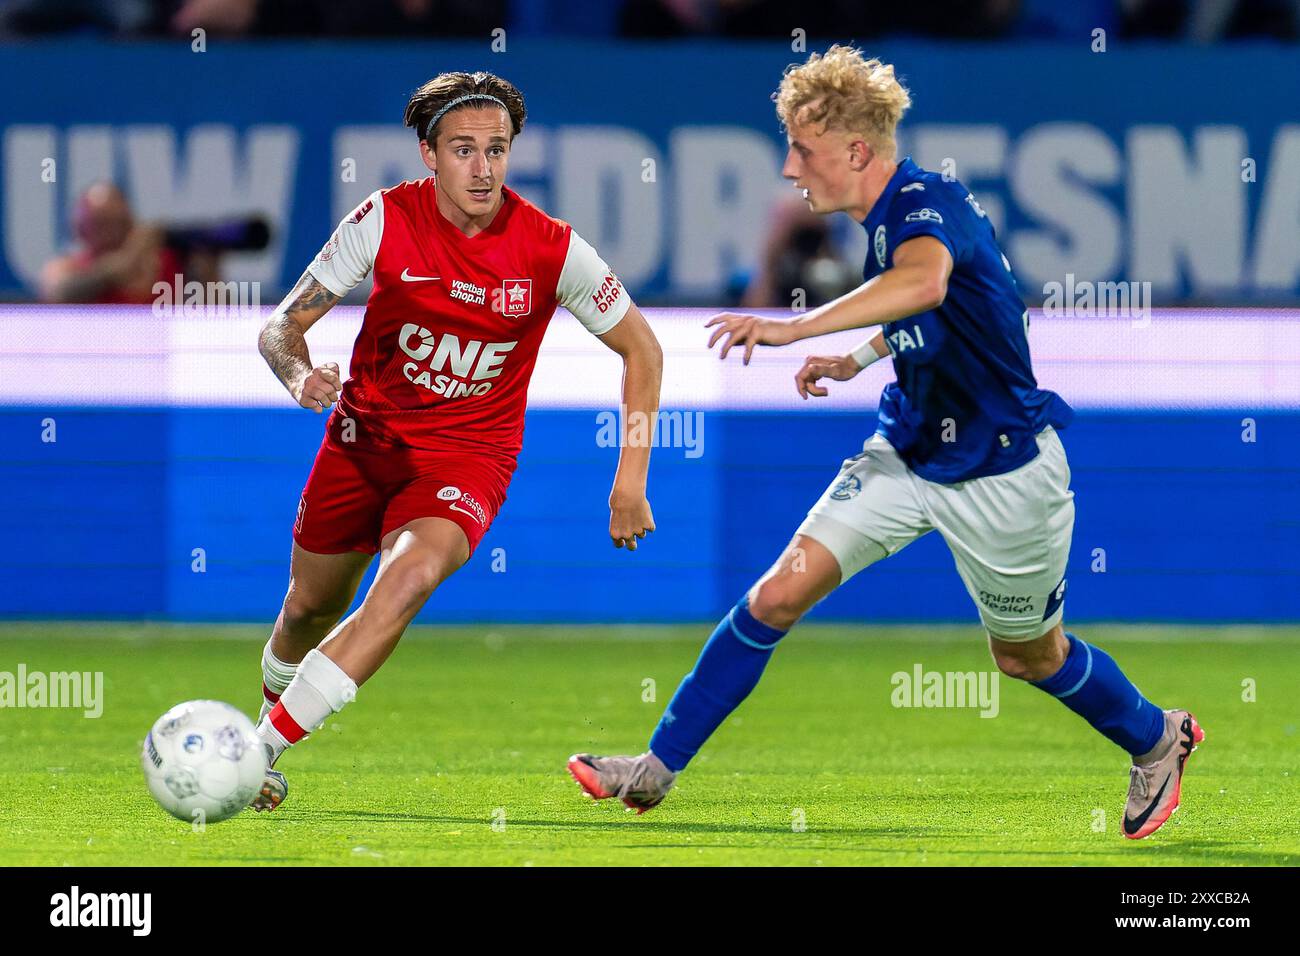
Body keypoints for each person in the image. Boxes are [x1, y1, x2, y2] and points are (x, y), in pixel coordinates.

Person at [568, 46, 1202, 841]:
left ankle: (1156, 737)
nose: (790, 167)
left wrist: (795, 328)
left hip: (1003, 472)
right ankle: (654, 769)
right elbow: (957, 309)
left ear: (856, 151)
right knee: (776, 595)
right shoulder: (900, 220)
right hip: (904, 452)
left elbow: (927, 284)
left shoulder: (923, 205)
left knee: (1028, 658)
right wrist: (858, 356)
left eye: (802, 148)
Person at [252, 70, 662, 811]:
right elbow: (280, 327)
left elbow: (643, 350)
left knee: (405, 582)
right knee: (308, 609)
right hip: (361, 443)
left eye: (497, 150)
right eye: (464, 150)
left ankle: (259, 753)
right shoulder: (382, 220)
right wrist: (297, 377)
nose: (483, 168)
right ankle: (264, 720)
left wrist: (630, 475)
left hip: (468, 457)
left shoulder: (551, 249)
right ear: (428, 154)